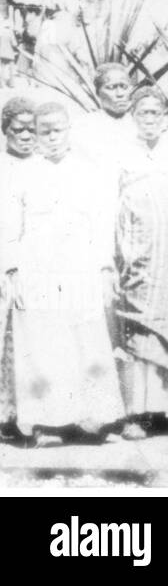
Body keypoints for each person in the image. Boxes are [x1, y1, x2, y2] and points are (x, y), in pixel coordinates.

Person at [1, 102, 122, 444]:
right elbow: (9, 225)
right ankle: (49, 424)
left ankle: (91, 422)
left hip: (79, 265)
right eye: (44, 132)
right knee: (44, 344)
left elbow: (101, 223)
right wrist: (11, 268)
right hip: (36, 267)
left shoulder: (87, 171)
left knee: (84, 339)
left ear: (69, 131)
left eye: (58, 130)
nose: (52, 138)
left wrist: (103, 266)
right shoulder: (21, 173)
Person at [114, 88, 168, 439]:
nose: (150, 119)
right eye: (143, 113)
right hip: (136, 252)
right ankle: (135, 415)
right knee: (136, 326)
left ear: (165, 116)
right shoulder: (121, 151)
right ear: (133, 116)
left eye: (155, 113)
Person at [0, 97, 39, 433]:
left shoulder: (45, 166)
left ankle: (33, 414)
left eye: (32, 129)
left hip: (41, 262)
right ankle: (7, 415)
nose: (26, 136)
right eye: (18, 130)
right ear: (5, 131)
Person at [77, 62, 135, 163]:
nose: (120, 94)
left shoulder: (140, 123)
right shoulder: (85, 126)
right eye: (111, 87)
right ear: (98, 92)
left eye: (124, 87)